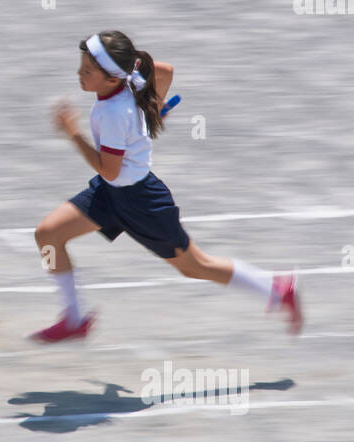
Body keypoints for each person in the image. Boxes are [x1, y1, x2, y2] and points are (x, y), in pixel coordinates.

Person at [30, 30, 302, 342]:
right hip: (111, 193)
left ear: (111, 79)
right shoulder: (129, 83)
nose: (80, 74)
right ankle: (73, 319)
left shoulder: (114, 113)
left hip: (141, 202)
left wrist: (73, 134)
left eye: (88, 71)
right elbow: (164, 70)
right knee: (48, 235)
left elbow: (109, 169)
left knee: (195, 266)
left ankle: (278, 290)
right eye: (81, 66)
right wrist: (152, 107)